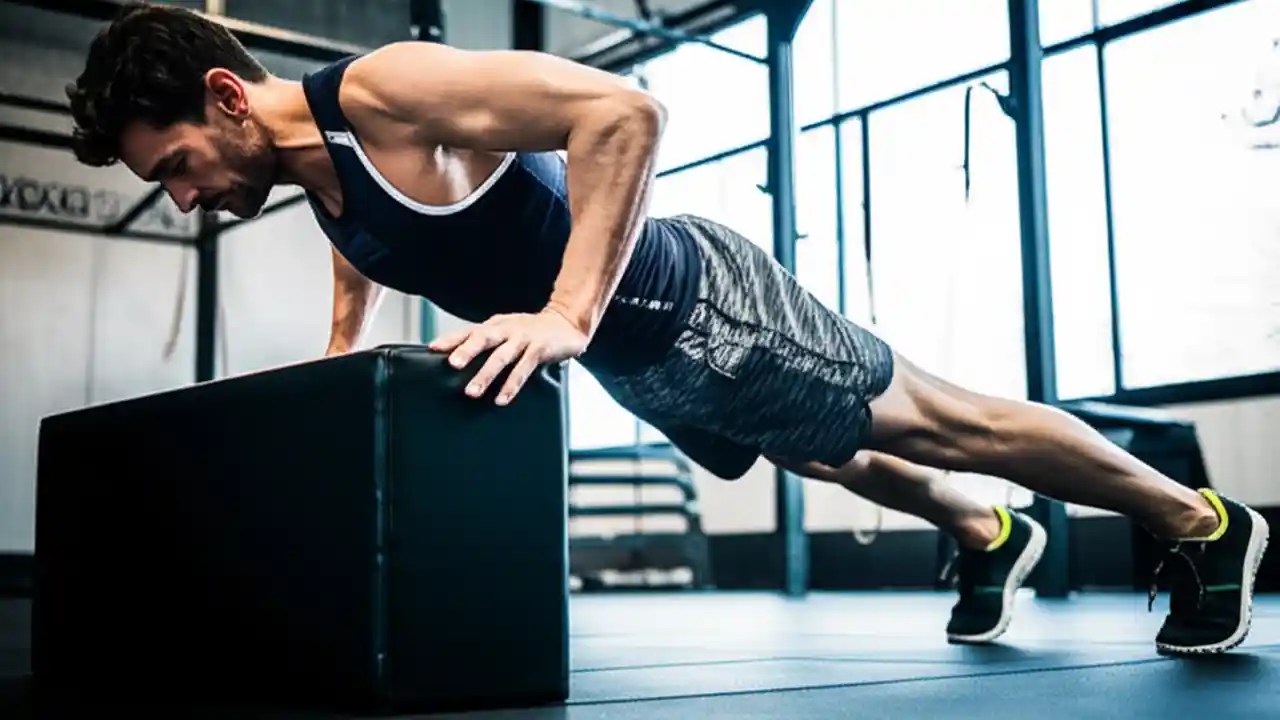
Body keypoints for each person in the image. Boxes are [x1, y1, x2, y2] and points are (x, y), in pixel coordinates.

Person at [66, 3, 1267, 654]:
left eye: (173, 166)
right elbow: (369, 239)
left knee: (937, 420)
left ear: (225, 97)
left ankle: (1199, 522)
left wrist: (564, 314)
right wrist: (341, 370)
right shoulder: (320, 176)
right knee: (829, 453)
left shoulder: (387, 90)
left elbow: (624, 111)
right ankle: (986, 533)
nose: (182, 198)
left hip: (694, 300)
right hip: (641, 363)